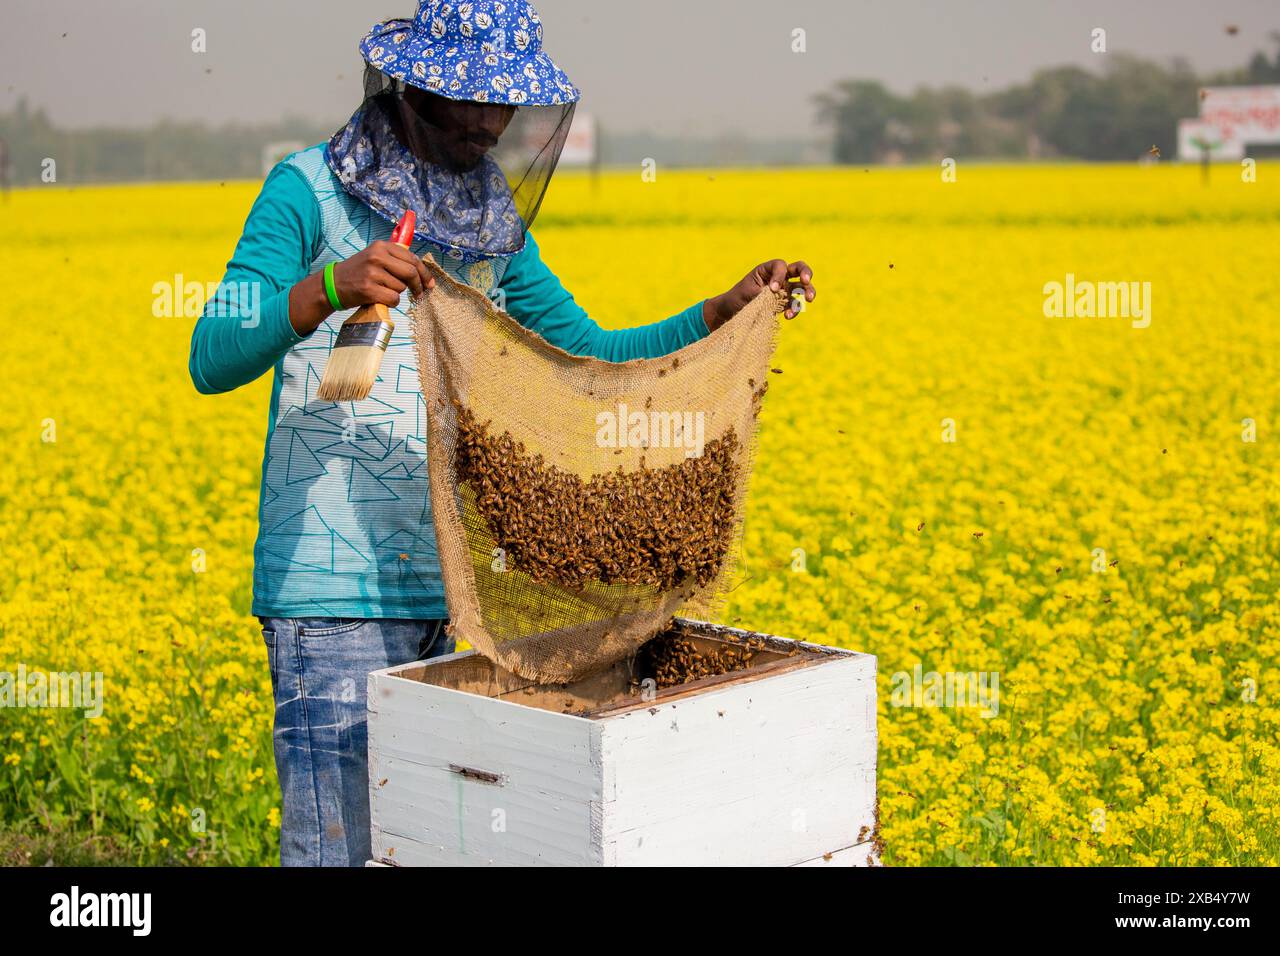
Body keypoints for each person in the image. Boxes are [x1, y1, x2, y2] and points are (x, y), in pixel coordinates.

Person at [188, 0, 816, 867]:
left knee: (430, 851)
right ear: (411, 86)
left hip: (460, 598)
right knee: (337, 853)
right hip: (330, 600)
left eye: (504, 103)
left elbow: (589, 353)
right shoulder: (305, 191)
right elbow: (212, 353)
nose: (489, 123)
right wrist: (328, 286)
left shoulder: (485, 223)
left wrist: (720, 312)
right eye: (468, 99)